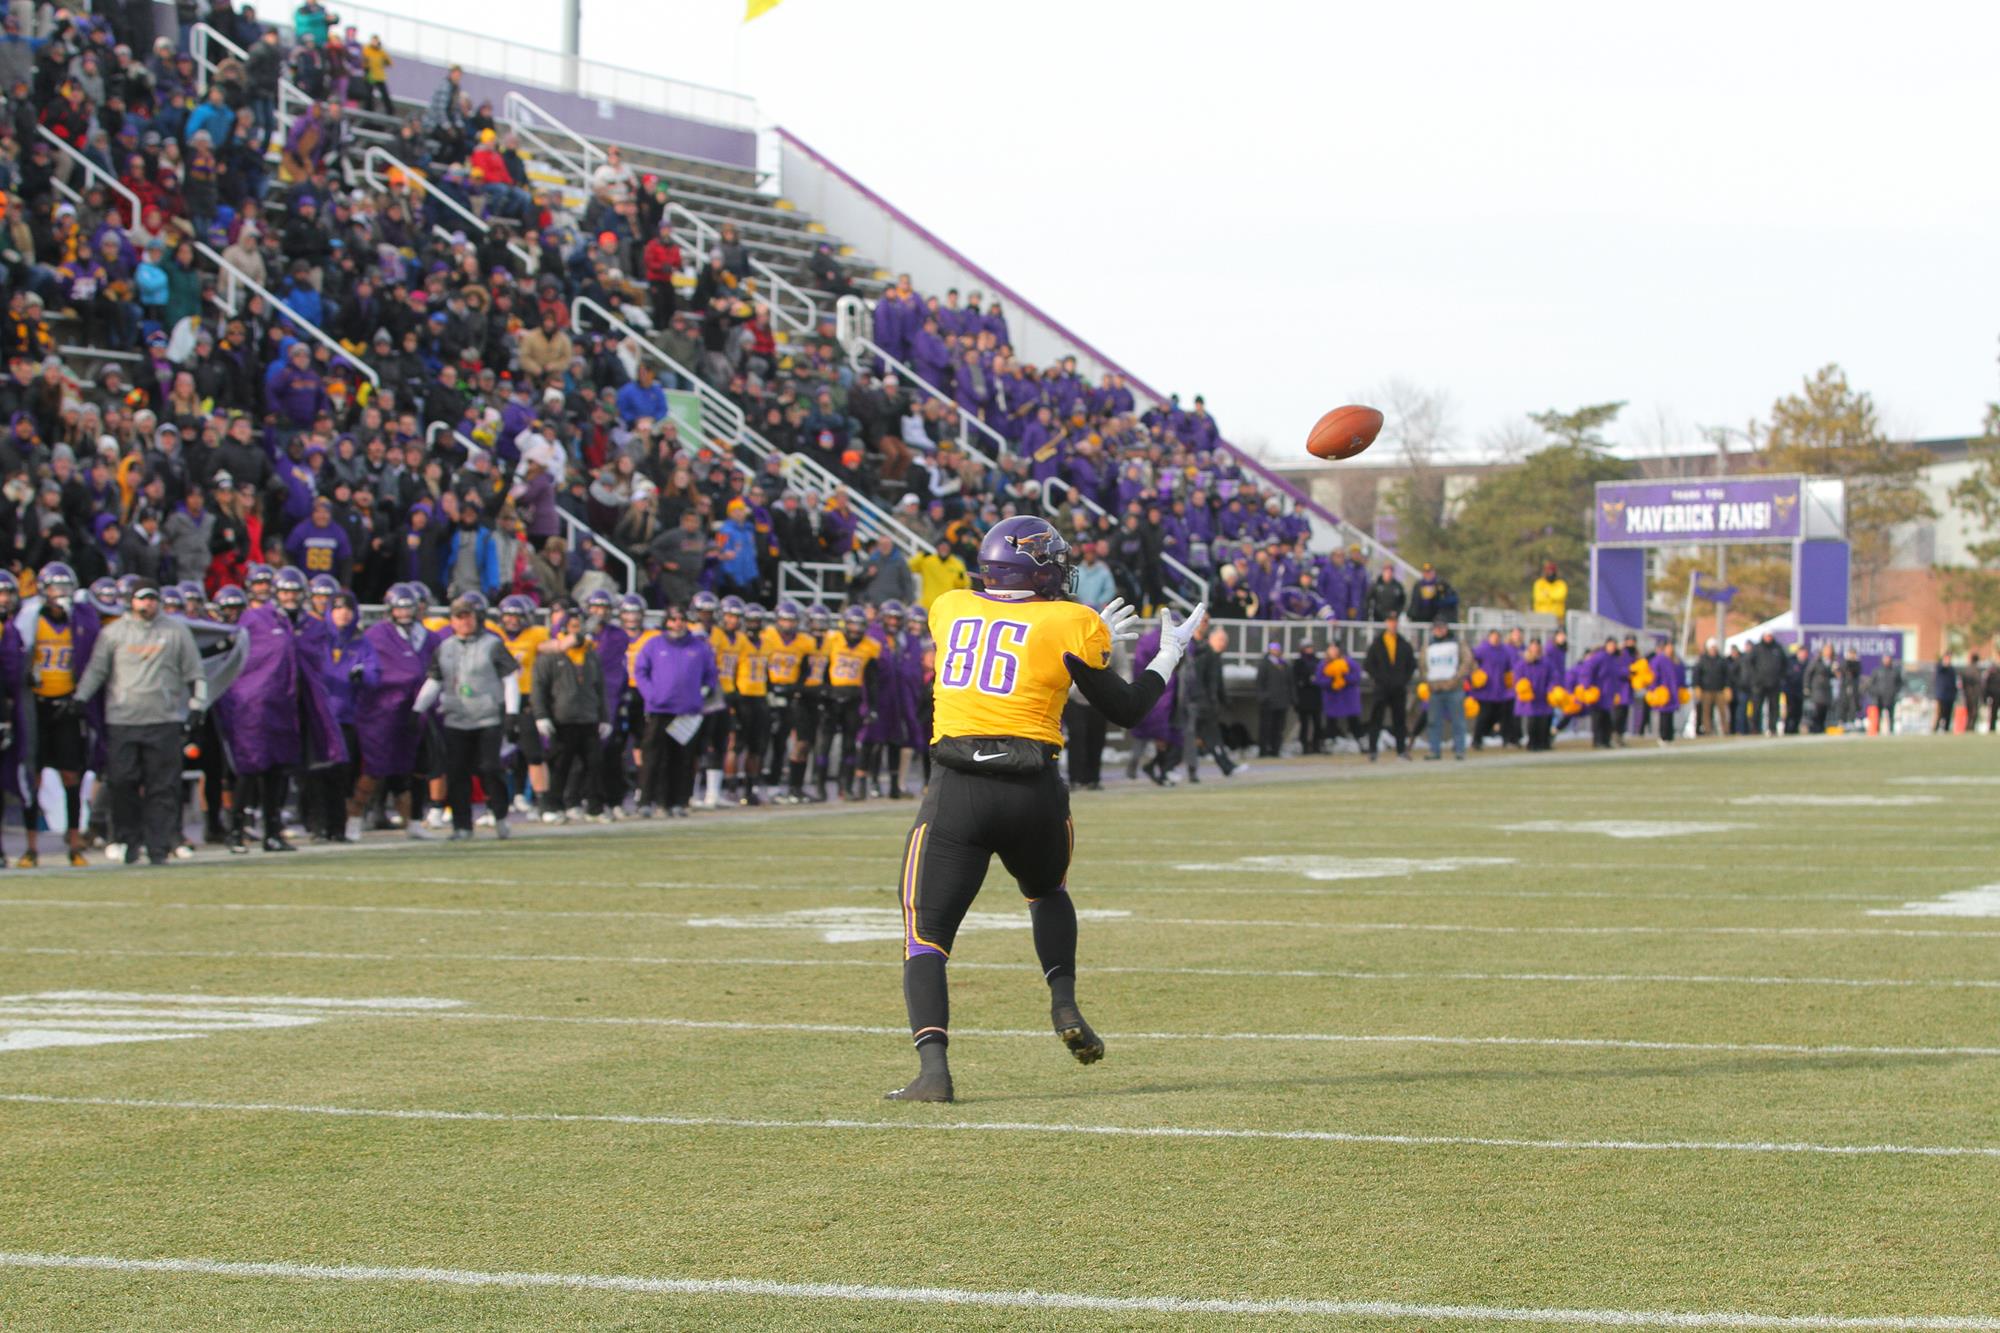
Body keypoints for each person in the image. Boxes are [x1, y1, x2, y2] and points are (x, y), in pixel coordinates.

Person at [885, 514, 1201, 1103]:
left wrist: (1074, 638)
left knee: (925, 939)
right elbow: (1127, 708)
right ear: (1039, 569)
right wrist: (1169, 652)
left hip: (956, 790)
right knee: (1047, 892)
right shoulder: (1074, 622)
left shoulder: (948, 607)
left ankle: (934, 1072)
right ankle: (1064, 1005)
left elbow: (1009, 640)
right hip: (1034, 790)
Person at [70, 579, 207, 865]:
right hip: (123, 719)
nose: (148, 604)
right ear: (130, 601)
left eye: (152, 598)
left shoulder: (175, 630)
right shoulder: (114, 633)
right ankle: (127, 840)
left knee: (163, 786)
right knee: (122, 783)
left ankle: (158, 845)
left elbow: (195, 671)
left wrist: (197, 705)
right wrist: (80, 698)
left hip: (164, 718)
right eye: (142, 599)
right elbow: (96, 670)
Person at [14, 562, 102, 867]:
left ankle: (74, 844)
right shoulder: (31, 618)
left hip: (67, 703)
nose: (60, 594)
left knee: (70, 775)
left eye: (65, 588)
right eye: (54, 588)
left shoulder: (80, 619)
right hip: (35, 705)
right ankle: (31, 847)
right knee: (32, 776)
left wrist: (80, 697)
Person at [416, 594, 521, 840]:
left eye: (468, 617)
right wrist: (418, 708)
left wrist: (511, 713)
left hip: (487, 717)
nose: (464, 622)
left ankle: (500, 815)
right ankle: (462, 825)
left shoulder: (492, 645)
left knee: (490, 768)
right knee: (457, 772)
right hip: (456, 718)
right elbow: (434, 680)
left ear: (477, 618)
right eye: (458, 617)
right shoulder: (445, 648)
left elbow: (510, 679)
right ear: (452, 621)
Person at [632, 603, 717, 818]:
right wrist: (652, 695)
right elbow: (640, 671)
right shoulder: (654, 644)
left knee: (682, 758)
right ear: (666, 622)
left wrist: (702, 692)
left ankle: (677, 801)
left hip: (687, 711)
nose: (677, 623)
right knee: (653, 757)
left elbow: (711, 674)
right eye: (673, 619)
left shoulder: (699, 647)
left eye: (680, 619)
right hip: (660, 709)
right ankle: (647, 801)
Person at [533, 612, 611, 820]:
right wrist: (541, 715)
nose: (578, 631)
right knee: (560, 765)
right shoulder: (550, 656)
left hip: (588, 717)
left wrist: (604, 717)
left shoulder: (591, 654)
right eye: (574, 626)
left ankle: (595, 807)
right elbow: (539, 688)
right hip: (562, 718)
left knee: (594, 764)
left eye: (580, 626)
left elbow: (599, 688)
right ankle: (553, 806)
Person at [1362, 618, 1415, 761]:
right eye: (1390, 621)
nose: (1393, 624)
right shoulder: (1378, 643)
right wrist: (1379, 678)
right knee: (1376, 719)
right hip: (1382, 688)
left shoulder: (1403, 643)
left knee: (1399, 720)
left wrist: (1403, 680)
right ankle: (1373, 750)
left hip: (1398, 688)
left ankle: (1401, 750)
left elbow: (1411, 665)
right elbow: (1368, 664)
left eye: (1395, 621)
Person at [1421, 616, 1472, 761]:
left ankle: (1460, 749)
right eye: (1436, 628)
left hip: (1454, 688)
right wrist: (1428, 681)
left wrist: (1456, 679)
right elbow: (1423, 665)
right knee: (1433, 722)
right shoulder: (1429, 645)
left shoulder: (1456, 642)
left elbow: (1466, 661)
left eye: (1441, 628)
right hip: (1435, 689)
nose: (1438, 631)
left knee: (1458, 721)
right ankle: (1434, 750)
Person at [1253, 639, 1292, 758]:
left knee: (1278, 727)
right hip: (1268, 701)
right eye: (1273, 649)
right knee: (1266, 727)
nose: (1276, 651)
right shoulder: (1264, 664)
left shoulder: (1284, 664)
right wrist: (1263, 696)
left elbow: (1289, 683)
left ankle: (1276, 749)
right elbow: (1259, 682)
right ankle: (1263, 750)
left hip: (1281, 701)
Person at [1803, 643, 1838, 734]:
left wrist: (1835, 671)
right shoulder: (1817, 661)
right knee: (1817, 709)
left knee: (1824, 710)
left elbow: (1833, 675)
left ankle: (1821, 728)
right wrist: (1807, 686)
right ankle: (1814, 728)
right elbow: (1808, 674)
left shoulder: (1832, 662)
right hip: (1817, 689)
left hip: (1827, 689)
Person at [1932, 651, 1958, 733]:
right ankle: (1935, 729)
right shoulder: (1940, 667)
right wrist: (1944, 663)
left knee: (1948, 714)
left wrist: (1955, 693)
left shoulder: (1952, 669)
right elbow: (1940, 668)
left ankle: (1946, 729)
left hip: (1950, 695)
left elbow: (1954, 682)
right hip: (1941, 695)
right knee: (1939, 714)